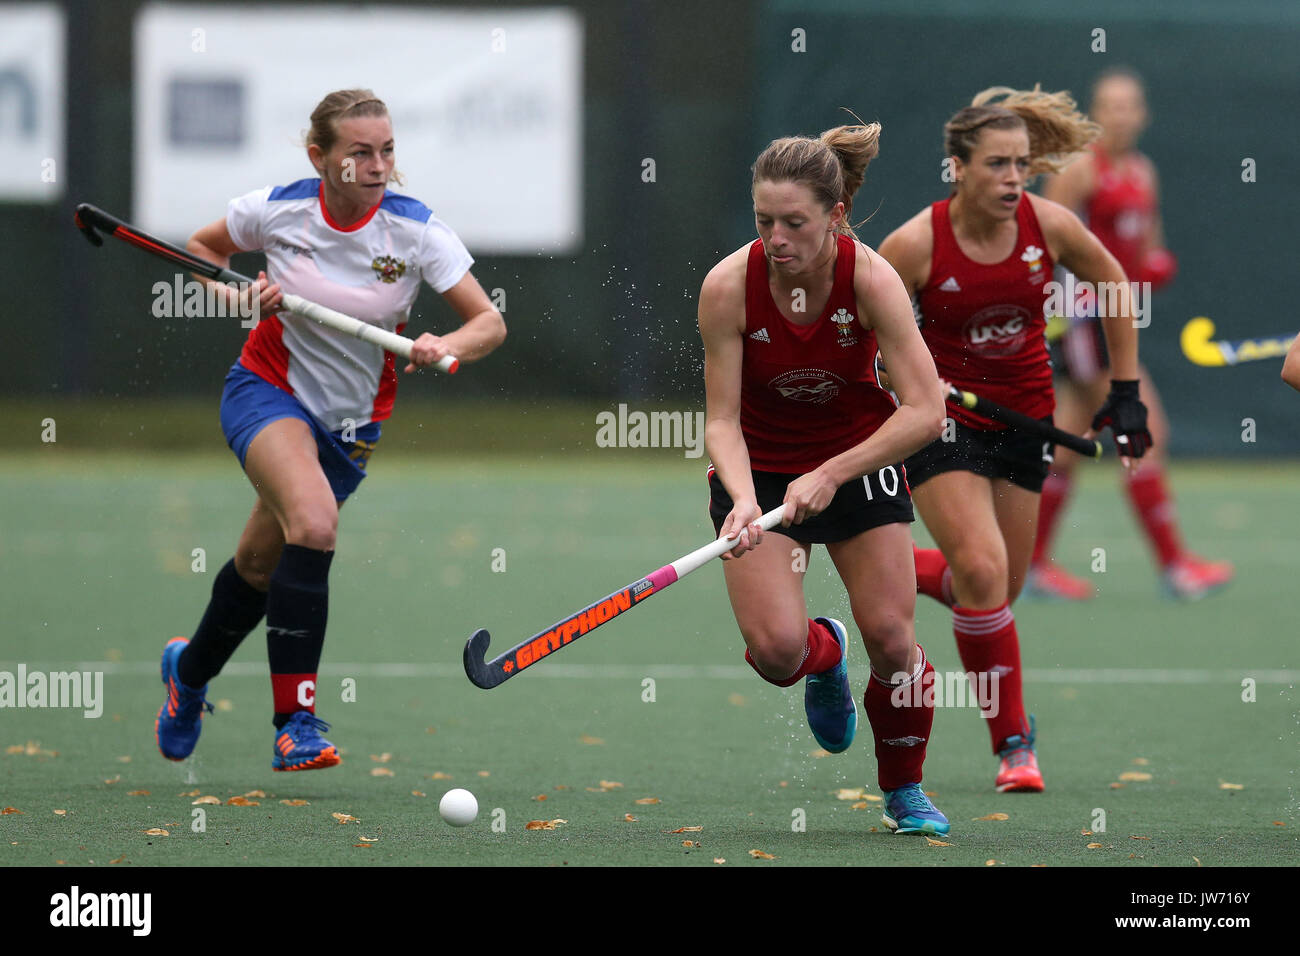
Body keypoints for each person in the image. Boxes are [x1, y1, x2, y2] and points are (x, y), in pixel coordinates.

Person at [155, 89, 506, 770]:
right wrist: (241, 297)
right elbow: (200, 250)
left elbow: (489, 322)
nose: (377, 165)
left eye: (387, 150)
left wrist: (448, 342)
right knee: (313, 525)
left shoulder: (415, 230)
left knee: (261, 565)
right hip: (268, 392)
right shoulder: (278, 209)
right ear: (322, 157)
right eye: (359, 152)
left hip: (352, 426)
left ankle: (187, 675)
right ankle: (297, 723)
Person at [878, 85, 1152, 792]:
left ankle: (888, 563)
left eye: (1021, 164)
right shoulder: (914, 244)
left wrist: (1124, 392)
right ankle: (1015, 746)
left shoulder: (1049, 225)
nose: (1012, 178)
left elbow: (1115, 283)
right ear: (958, 169)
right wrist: (889, 371)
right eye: (997, 164)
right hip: (943, 424)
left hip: (1027, 421)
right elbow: (864, 327)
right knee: (982, 565)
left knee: (1000, 584)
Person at [699, 123, 951, 834]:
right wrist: (746, 498)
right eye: (763, 221)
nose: (776, 238)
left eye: (795, 222)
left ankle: (904, 791)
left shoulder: (870, 280)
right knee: (778, 654)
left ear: (835, 215)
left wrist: (833, 472)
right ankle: (825, 652)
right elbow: (721, 421)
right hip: (760, 470)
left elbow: (927, 413)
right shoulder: (727, 286)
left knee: (896, 642)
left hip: (858, 462)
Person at [1027, 67, 1233, 601]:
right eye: (1110, 105)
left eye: (1129, 105)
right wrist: (1056, 315)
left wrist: (1154, 264)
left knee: (1071, 441)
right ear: (1096, 112)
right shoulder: (1077, 171)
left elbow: (1148, 245)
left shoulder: (1142, 171)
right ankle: (1174, 568)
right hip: (1081, 319)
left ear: (1142, 113)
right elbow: (1045, 240)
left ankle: (1028, 566)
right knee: (1147, 431)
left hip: (1119, 314)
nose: (1120, 115)